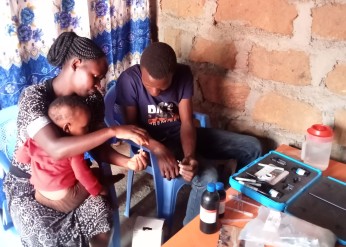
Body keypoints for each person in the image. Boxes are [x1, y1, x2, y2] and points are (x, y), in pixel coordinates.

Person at [3, 31, 149, 247]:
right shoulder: (34, 97)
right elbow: (55, 148)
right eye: (96, 77)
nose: (99, 85)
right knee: (46, 235)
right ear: (76, 64)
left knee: (101, 211)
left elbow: (98, 147)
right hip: (30, 187)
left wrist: (127, 162)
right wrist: (113, 131)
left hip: (72, 179)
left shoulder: (92, 100)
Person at [114, 42, 262, 225]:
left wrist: (190, 156)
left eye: (162, 88)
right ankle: (190, 234)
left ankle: (227, 200)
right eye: (149, 85)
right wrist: (158, 149)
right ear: (141, 71)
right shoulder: (129, 80)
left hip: (183, 136)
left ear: (172, 74)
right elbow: (131, 128)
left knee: (252, 147)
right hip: (151, 143)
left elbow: (186, 123)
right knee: (208, 177)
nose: (154, 91)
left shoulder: (183, 74)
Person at [16, 95, 121, 213]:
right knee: (95, 174)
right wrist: (98, 190)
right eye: (85, 127)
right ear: (67, 128)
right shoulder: (73, 150)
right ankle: (109, 198)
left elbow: (20, 158)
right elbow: (82, 176)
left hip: (40, 195)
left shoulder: (35, 140)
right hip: (65, 200)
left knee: (87, 171)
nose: (87, 131)